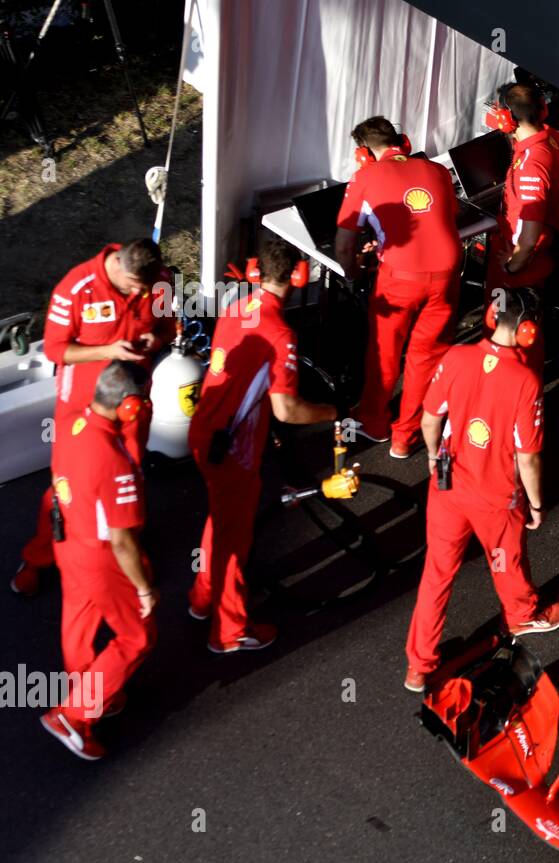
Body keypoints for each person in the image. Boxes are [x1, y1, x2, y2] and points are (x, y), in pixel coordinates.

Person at [404, 289, 559, 693]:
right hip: (496, 497)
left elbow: (429, 418)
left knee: (437, 573)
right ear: (528, 331)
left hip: (447, 485)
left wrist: (431, 457)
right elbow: (528, 458)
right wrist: (536, 504)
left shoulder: (455, 358)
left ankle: (419, 665)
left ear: (493, 318)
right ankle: (522, 615)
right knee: (506, 562)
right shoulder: (526, 381)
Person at [187, 237, 337, 654]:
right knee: (235, 538)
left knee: (220, 521)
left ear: (255, 273)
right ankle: (229, 631)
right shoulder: (280, 332)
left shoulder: (236, 308)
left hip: (206, 432)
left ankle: (202, 597)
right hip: (233, 449)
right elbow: (287, 409)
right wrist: (331, 412)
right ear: (298, 277)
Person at [11, 239, 171, 597]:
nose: (139, 293)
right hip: (81, 406)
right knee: (67, 485)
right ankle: (39, 556)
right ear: (119, 265)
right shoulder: (76, 287)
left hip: (131, 402)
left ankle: (127, 553)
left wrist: (155, 340)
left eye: (145, 289)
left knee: (129, 477)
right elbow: (55, 349)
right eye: (133, 286)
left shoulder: (160, 280)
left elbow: (167, 327)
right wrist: (107, 350)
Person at [39, 361, 156, 760]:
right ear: (126, 406)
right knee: (137, 635)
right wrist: (143, 588)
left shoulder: (73, 424)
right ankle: (73, 715)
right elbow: (123, 542)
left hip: (68, 539)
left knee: (80, 621)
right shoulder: (115, 461)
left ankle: (92, 692)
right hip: (101, 554)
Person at [335, 115, 462, 455]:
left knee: (385, 352)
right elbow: (442, 218)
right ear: (402, 142)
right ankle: (405, 437)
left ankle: (374, 421)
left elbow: (344, 245)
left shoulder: (364, 177)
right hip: (446, 274)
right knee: (426, 356)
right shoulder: (435, 170)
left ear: (364, 153)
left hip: (400, 278)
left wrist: (352, 274)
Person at [483, 83, 559, 307]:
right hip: (540, 250)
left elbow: (529, 237)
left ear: (506, 117)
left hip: (521, 262)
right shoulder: (552, 137)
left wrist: (511, 267)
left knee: (504, 323)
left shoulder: (532, 164)